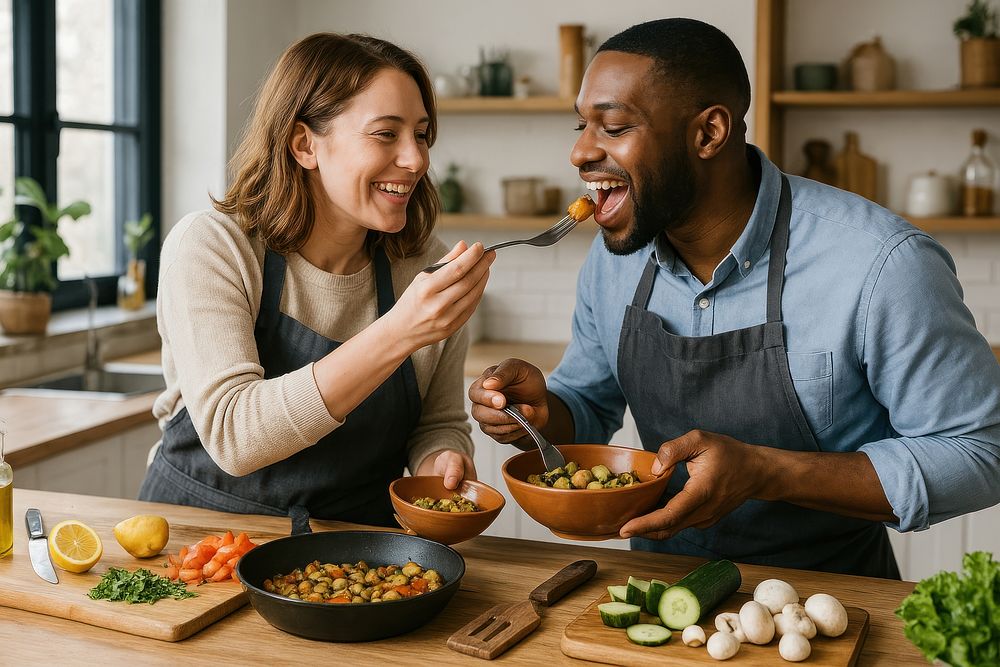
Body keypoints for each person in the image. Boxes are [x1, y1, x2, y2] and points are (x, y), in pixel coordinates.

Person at [468, 18, 1000, 578]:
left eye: (615, 126)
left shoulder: (881, 263)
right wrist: (541, 414)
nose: (579, 152)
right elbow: (588, 406)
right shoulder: (615, 256)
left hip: (834, 602)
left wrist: (769, 472)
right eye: (582, 125)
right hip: (658, 590)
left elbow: (980, 452)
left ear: (709, 133)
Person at [139, 33, 494, 534]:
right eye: (386, 134)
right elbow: (235, 436)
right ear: (305, 144)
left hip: (355, 552)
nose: (416, 160)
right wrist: (399, 332)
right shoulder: (215, 247)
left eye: (421, 133)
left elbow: (437, 422)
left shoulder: (424, 265)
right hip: (197, 542)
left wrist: (443, 461)